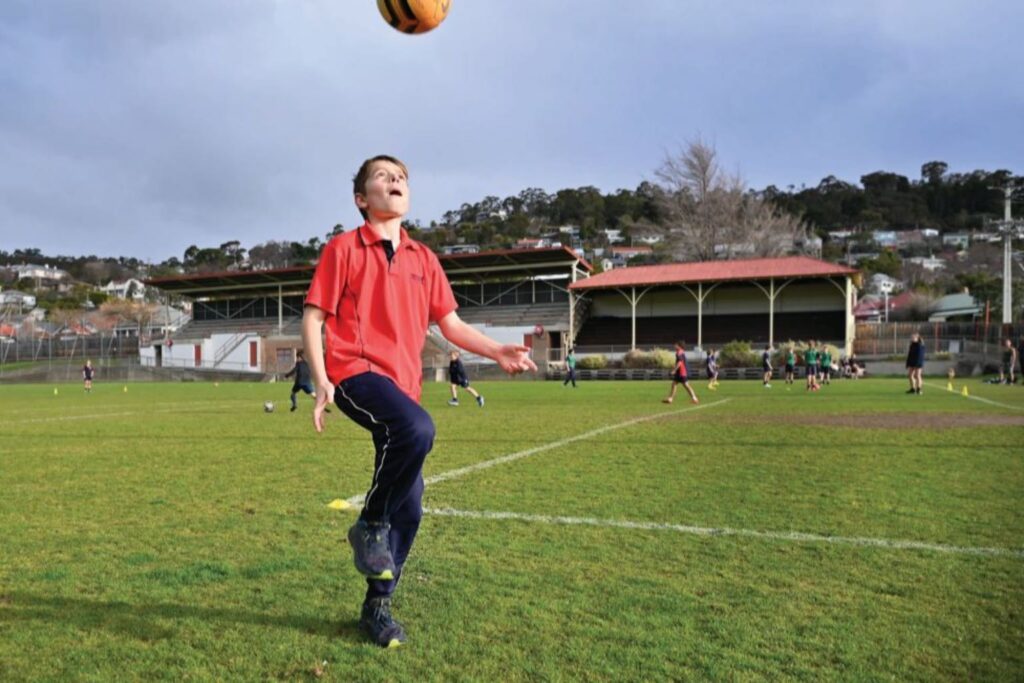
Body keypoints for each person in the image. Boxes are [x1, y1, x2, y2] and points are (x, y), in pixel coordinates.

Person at [302, 155, 535, 649]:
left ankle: (377, 604)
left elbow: (449, 325)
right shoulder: (343, 249)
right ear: (362, 199)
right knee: (419, 430)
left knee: (411, 509)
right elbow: (314, 318)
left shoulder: (424, 259)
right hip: (354, 372)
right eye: (383, 177)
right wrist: (321, 380)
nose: (395, 182)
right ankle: (369, 523)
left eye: (402, 177)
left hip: (402, 387)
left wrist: (497, 349)